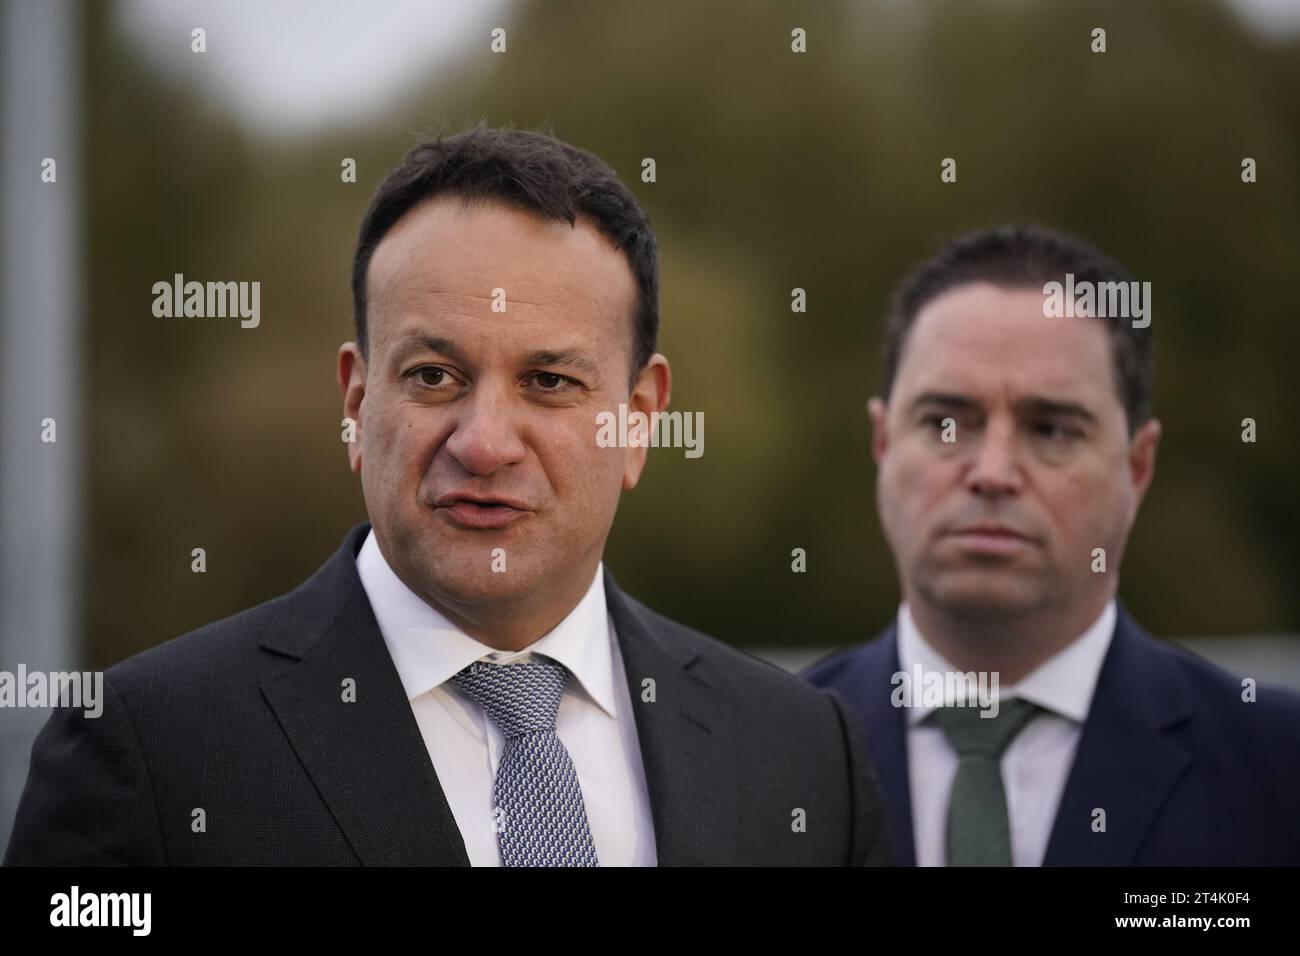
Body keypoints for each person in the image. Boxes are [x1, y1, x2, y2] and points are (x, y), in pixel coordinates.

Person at [5, 125, 890, 867]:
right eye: (434, 375)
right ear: (357, 401)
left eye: (549, 382)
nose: (485, 441)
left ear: (641, 418)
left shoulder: (804, 757)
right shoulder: (152, 752)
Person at [804, 224, 1300, 866]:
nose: (993, 471)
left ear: (1137, 466)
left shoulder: (1276, 771)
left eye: (1052, 429)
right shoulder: (754, 758)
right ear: (883, 444)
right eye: (946, 423)